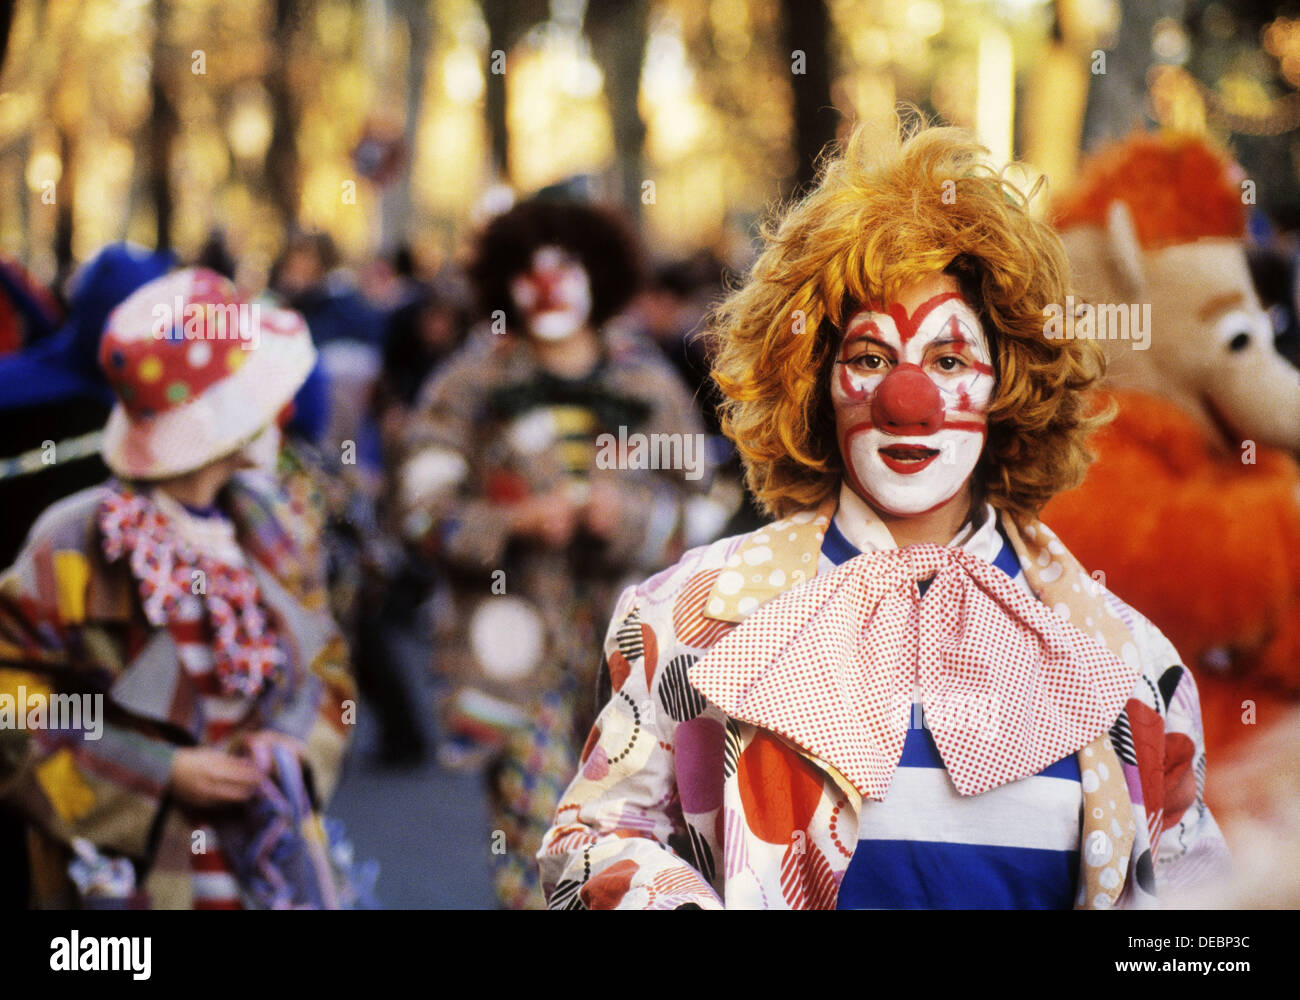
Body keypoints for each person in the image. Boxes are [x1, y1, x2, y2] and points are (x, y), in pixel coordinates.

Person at [537, 121, 1230, 909]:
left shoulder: (1127, 659)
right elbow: (587, 843)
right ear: (813, 380)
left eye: (949, 360)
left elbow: (1195, 910)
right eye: (870, 359)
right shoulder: (689, 622)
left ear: (1009, 384)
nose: (910, 401)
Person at [0, 267, 356, 908]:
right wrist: (156, 773)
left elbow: (326, 664)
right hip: (134, 890)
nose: (284, 410)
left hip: (273, 875)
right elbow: (12, 709)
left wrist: (296, 749)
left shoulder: (277, 526)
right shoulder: (77, 542)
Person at [397, 196, 708, 908]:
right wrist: (512, 524)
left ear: (598, 275)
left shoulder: (649, 386)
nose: (546, 289)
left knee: (633, 843)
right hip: (512, 663)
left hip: (633, 665)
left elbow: (706, 517)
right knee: (537, 850)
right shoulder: (470, 386)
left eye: (564, 269)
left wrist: (626, 519)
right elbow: (419, 515)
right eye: (529, 273)